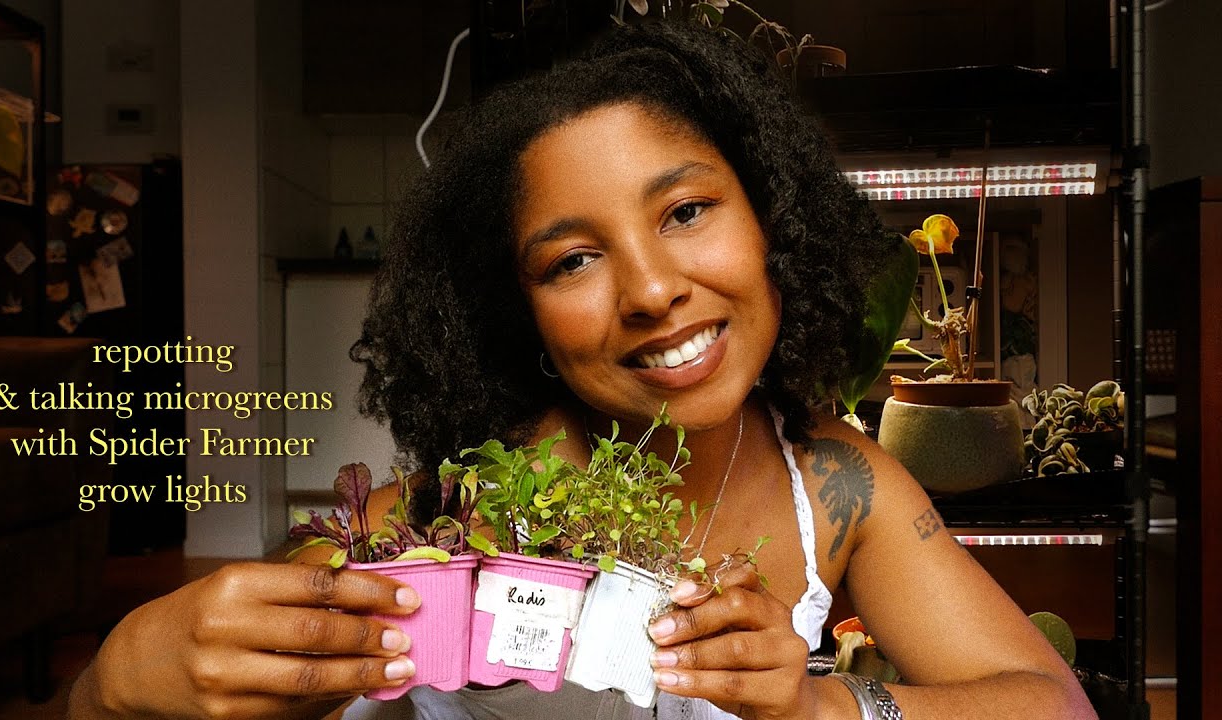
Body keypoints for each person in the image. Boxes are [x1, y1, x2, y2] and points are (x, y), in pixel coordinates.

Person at [69, 21, 1097, 720]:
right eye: (572, 260)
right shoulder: (446, 522)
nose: (650, 290)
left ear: (768, 221)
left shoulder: (834, 483)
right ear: (516, 314)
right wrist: (116, 683)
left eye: (686, 211)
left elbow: (1050, 702)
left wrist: (817, 703)